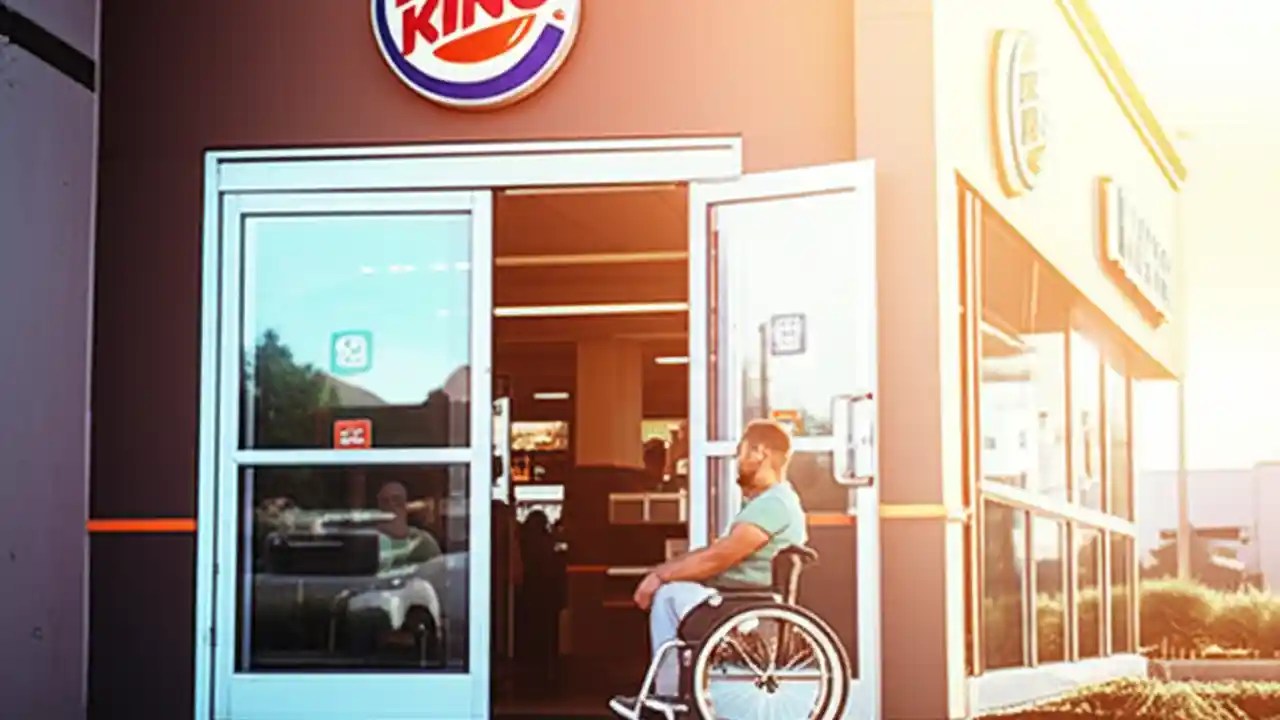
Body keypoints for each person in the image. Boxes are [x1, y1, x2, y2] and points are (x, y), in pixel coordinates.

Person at [608, 420, 806, 718]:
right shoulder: (770, 502)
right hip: (740, 599)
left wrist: (660, 576)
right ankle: (669, 691)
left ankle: (668, 695)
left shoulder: (774, 504)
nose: (738, 462)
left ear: (760, 452)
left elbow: (718, 558)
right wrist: (663, 569)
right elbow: (713, 554)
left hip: (743, 605)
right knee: (670, 589)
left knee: (669, 596)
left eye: (741, 453)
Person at [374, 481, 442, 572]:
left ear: (406, 506)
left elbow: (437, 575)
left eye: (397, 500)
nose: (391, 506)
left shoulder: (423, 541)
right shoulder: (368, 541)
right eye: (384, 501)